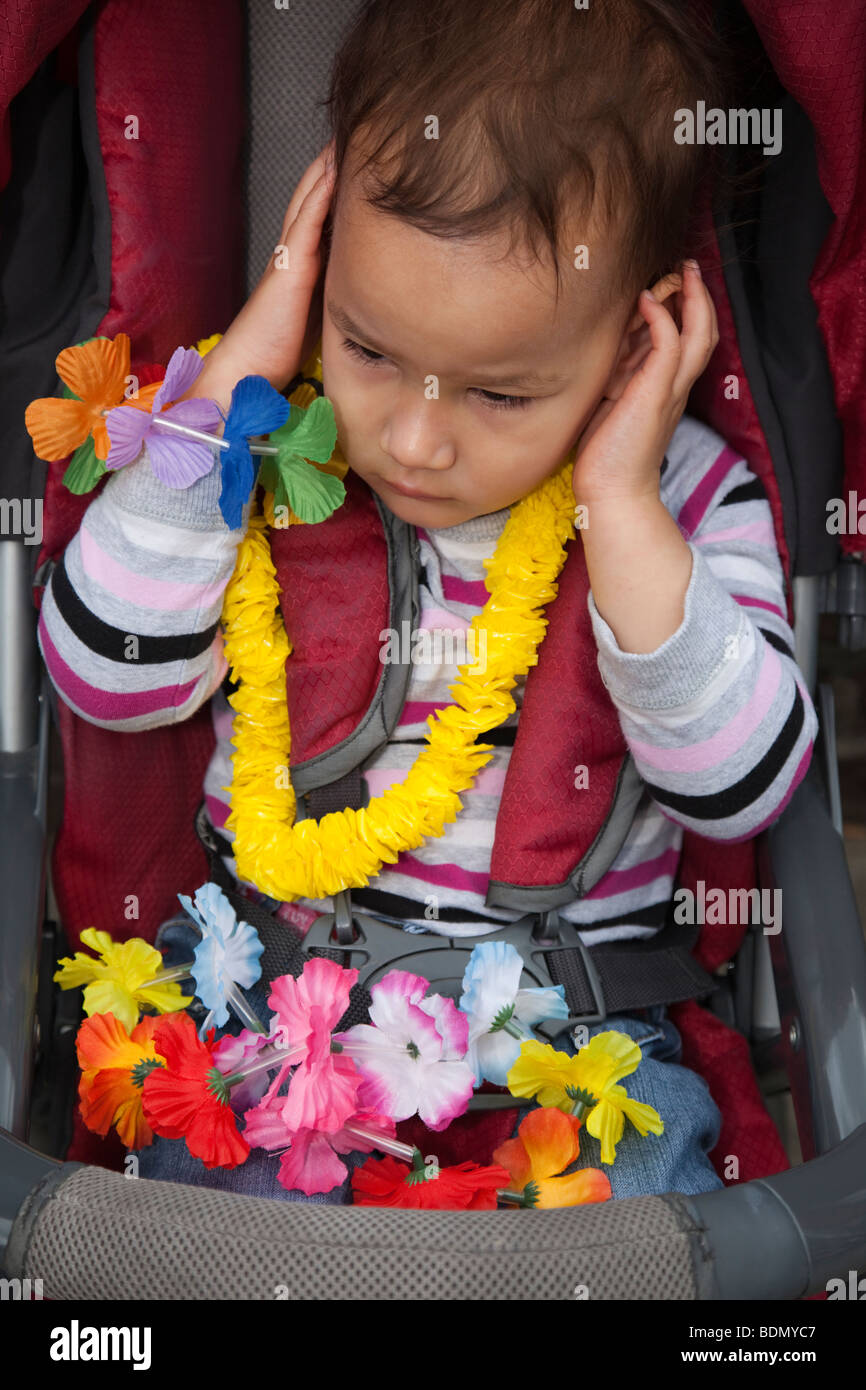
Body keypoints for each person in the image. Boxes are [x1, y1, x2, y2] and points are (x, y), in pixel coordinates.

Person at [37, 0, 817, 1204]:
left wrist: (618, 505)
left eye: (498, 396)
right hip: (273, 1018)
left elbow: (741, 780)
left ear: (631, 343)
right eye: (367, 347)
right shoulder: (255, 465)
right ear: (317, 256)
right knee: (201, 1202)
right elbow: (106, 678)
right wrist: (243, 369)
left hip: (576, 1047)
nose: (411, 438)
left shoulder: (682, 504)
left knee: (658, 1204)